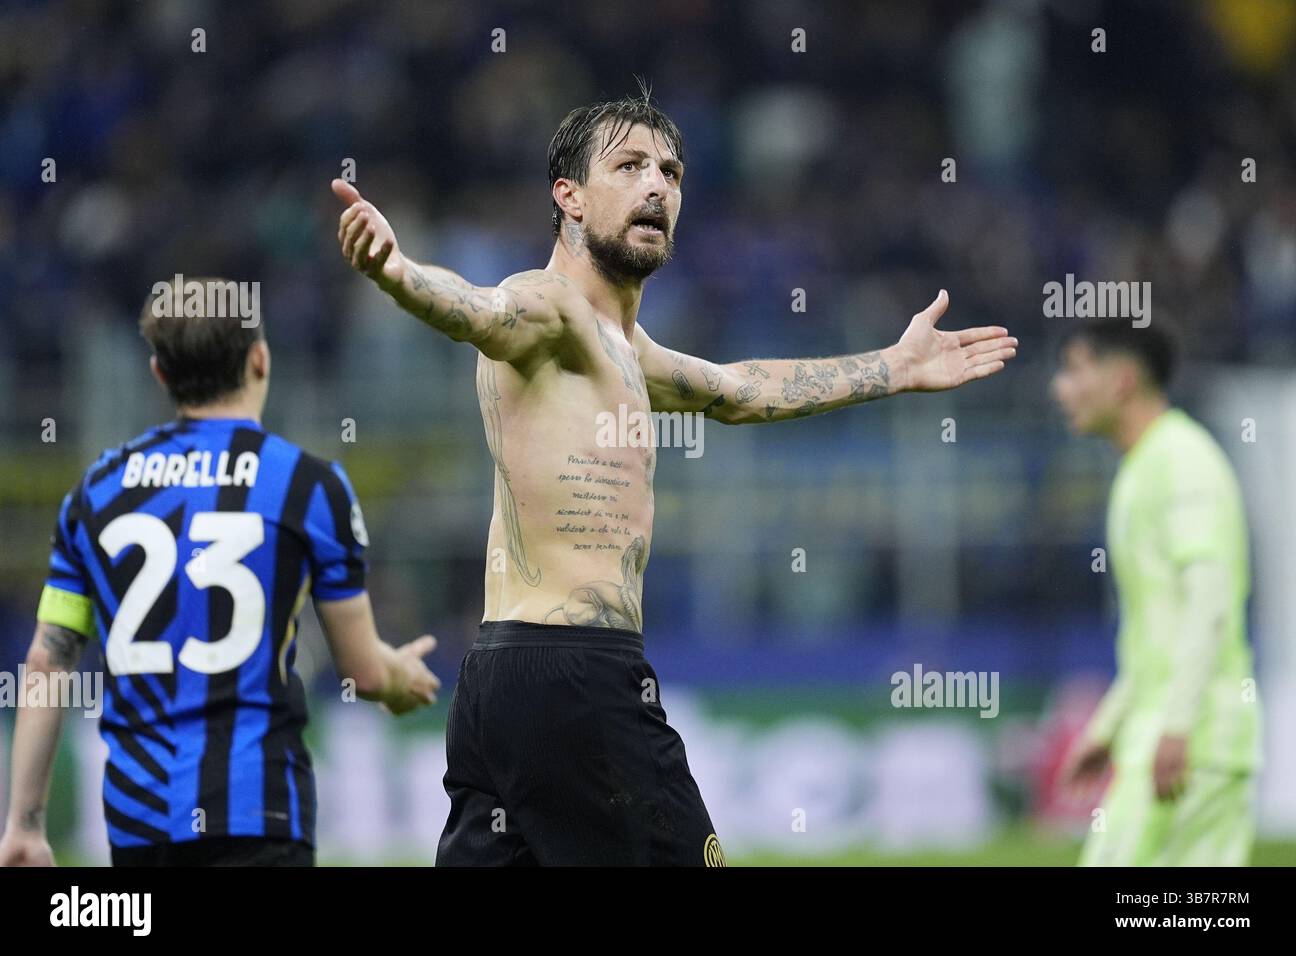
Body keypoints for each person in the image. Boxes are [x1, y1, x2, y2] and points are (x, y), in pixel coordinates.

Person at [332, 83, 1017, 866]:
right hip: (578, 677)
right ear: (570, 198)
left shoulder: (626, 348)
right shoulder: (550, 306)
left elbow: (741, 390)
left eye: (671, 171)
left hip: (503, 680)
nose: (657, 184)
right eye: (627, 166)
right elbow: (479, 310)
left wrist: (891, 367)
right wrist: (397, 274)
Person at [0, 277, 440, 867]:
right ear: (260, 359)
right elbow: (360, 670)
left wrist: (25, 824)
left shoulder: (95, 493)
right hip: (260, 815)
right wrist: (399, 677)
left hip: (139, 825)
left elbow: (47, 663)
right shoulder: (308, 486)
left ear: (160, 374)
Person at [1054, 320, 1260, 866]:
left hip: (1188, 741)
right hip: (1197, 738)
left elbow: (1209, 604)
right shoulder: (1145, 467)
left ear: (1122, 380)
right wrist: (1109, 727)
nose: (1061, 388)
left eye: (1075, 370)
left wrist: (1175, 727)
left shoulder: (1182, 462)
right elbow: (1159, 635)